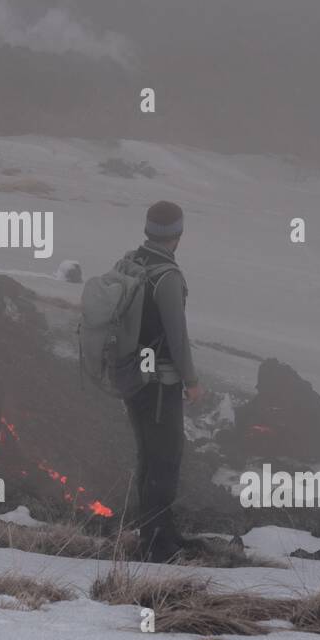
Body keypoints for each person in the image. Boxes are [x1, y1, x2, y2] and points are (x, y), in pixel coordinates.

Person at [122, 200, 205, 562]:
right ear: (178, 235)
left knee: (148, 454)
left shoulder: (130, 262)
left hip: (131, 377)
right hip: (159, 381)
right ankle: (157, 543)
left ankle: (157, 530)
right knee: (166, 457)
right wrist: (192, 380)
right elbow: (177, 335)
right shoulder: (166, 277)